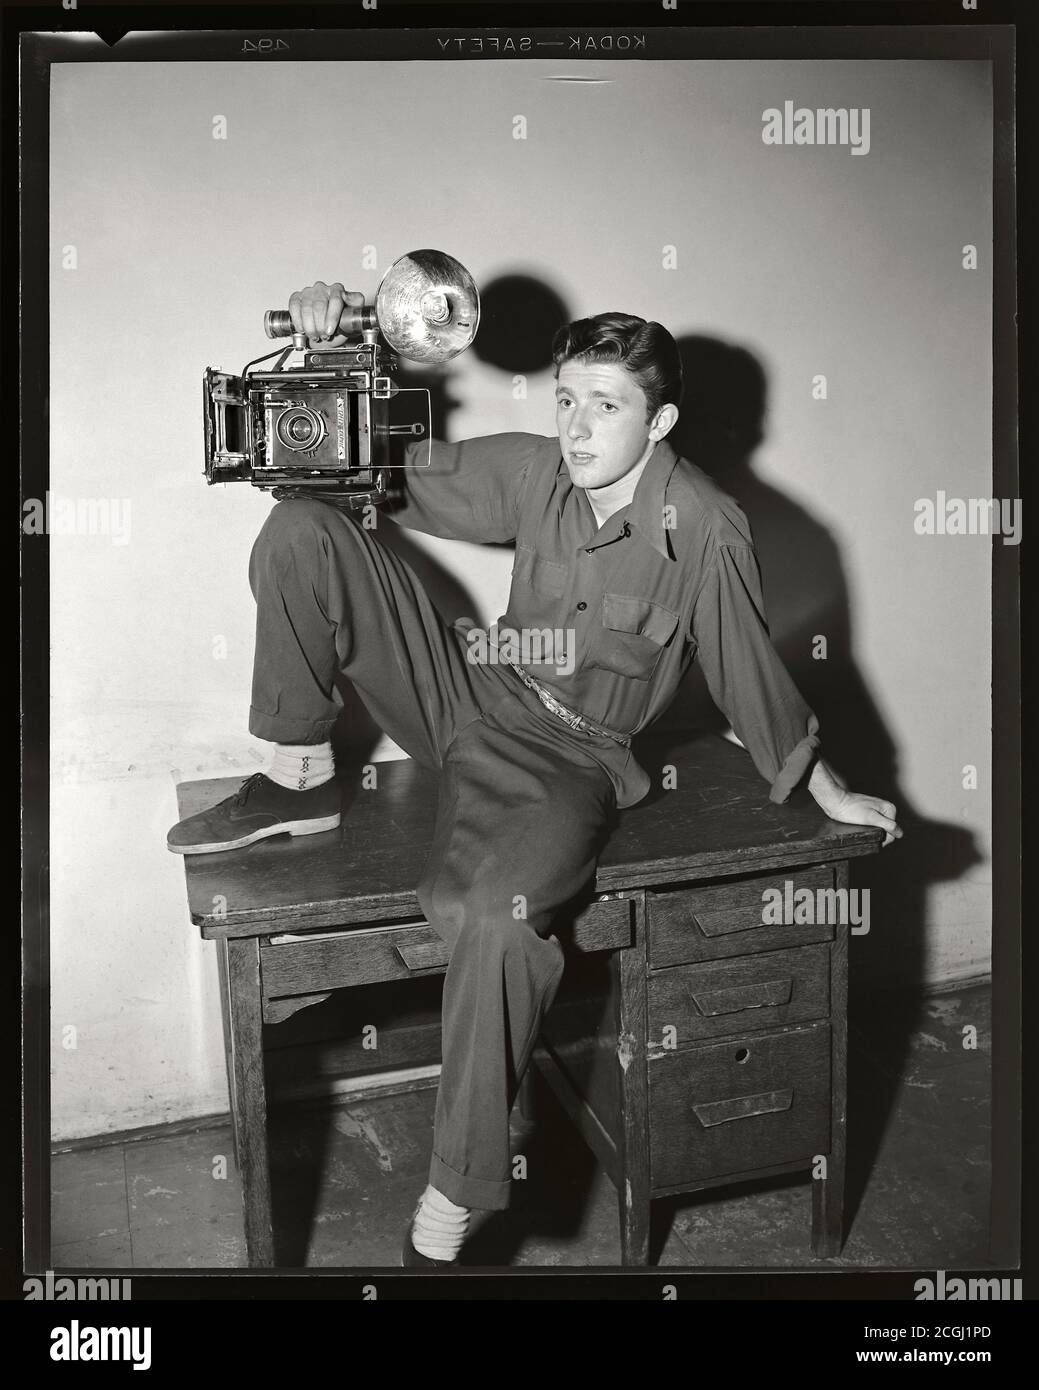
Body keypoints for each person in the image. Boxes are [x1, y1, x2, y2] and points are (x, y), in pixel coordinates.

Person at [168, 281, 902, 1267]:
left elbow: (744, 664)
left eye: (607, 405)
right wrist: (334, 357)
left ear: (661, 418)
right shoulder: (535, 471)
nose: (579, 425)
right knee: (303, 525)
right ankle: (299, 774)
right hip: (469, 690)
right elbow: (366, 466)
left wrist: (821, 784)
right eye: (566, 399)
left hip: (572, 755)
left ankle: (462, 1180)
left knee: (500, 915)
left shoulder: (703, 525)